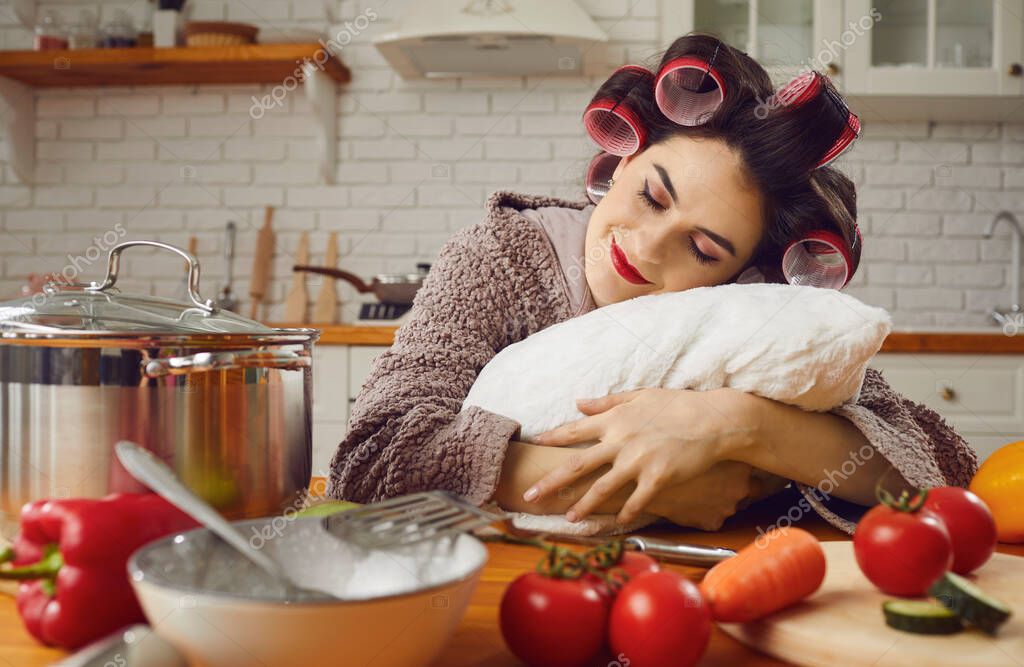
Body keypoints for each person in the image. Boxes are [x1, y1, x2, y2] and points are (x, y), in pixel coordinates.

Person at [327, 34, 976, 534]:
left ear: (742, 277)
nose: (645, 244)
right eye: (652, 194)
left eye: (701, 248)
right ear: (627, 156)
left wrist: (736, 424)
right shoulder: (503, 259)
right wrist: (638, 481)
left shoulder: (745, 320)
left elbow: (944, 468)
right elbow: (370, 463)